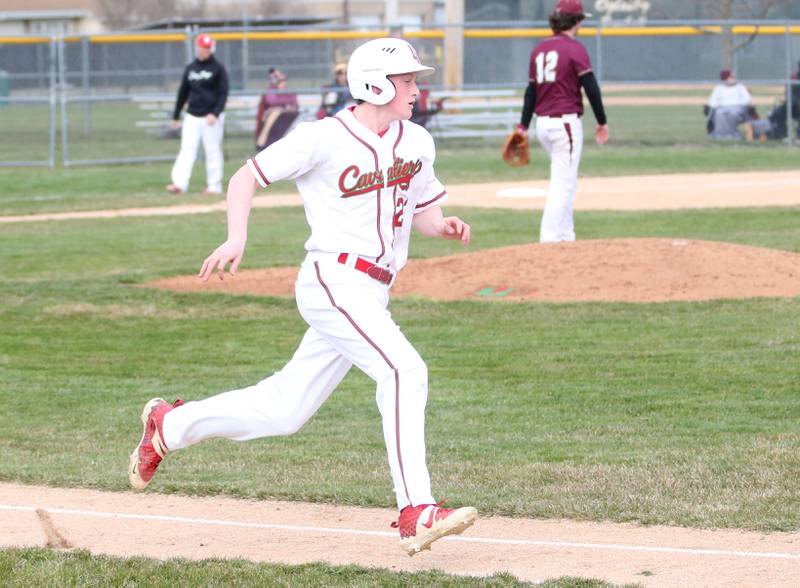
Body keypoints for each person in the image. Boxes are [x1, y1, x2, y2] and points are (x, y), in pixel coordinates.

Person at [129, 37, 478, 556]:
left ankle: (169, 425)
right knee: (405, 370)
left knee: (285, 411)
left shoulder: (417, 141)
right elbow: (246, 176)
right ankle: (416, 511)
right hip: (332, 280)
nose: (416, 87)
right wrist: (236, 235)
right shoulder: (322, 138)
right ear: (375, 84)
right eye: (406, 80)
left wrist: (441, 225)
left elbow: (422, 210)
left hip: (372, 290)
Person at [517, 0, 608, 243]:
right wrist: (602, 121)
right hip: (564, 123)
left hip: (543, 124)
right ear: (576, 21)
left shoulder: (539, 50)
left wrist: (523, 126)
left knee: (567, 180)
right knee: (562, 184)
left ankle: (566, 236)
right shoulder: (574, 48)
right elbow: (591, 87)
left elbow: (531, 91)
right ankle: (549, 240)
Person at [166, 34, 229, 196]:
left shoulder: (218, 69)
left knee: (212, 151)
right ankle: (179, 184)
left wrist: (215, 113)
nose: (204, 51)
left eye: (207, 48)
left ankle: (214, 186)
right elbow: (183, 93)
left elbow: (223, 94)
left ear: (211, 49)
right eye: (202, 47)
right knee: (187, 149)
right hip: (192, 115)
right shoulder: (191, 68)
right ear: (197, 47)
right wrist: (175, 116)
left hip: (211, 118)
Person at [255, 68, 299, 151]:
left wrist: (284, 106)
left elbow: (294, 102)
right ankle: (262, 140)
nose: (283, 83)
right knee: (275, 112)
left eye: (283, 80)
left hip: (288, 115)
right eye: (280, 81)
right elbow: (272, 101)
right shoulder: (271, 90)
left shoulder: (289, 92)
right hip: (274, 117)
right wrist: (285, 105)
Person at [706, 69, 754, 140]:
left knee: (732, 114)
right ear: (725, 79)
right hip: (721, 108)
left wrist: (736, 104)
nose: (733, 79)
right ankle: (720, 135)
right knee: (719, 114)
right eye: (731, 77)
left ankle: (733, 135)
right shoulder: (718, 89)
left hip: (737, 108)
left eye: (734, 77)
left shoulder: (740, 87)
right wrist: (721, 105)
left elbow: (747, 99)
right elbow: (712, 102)